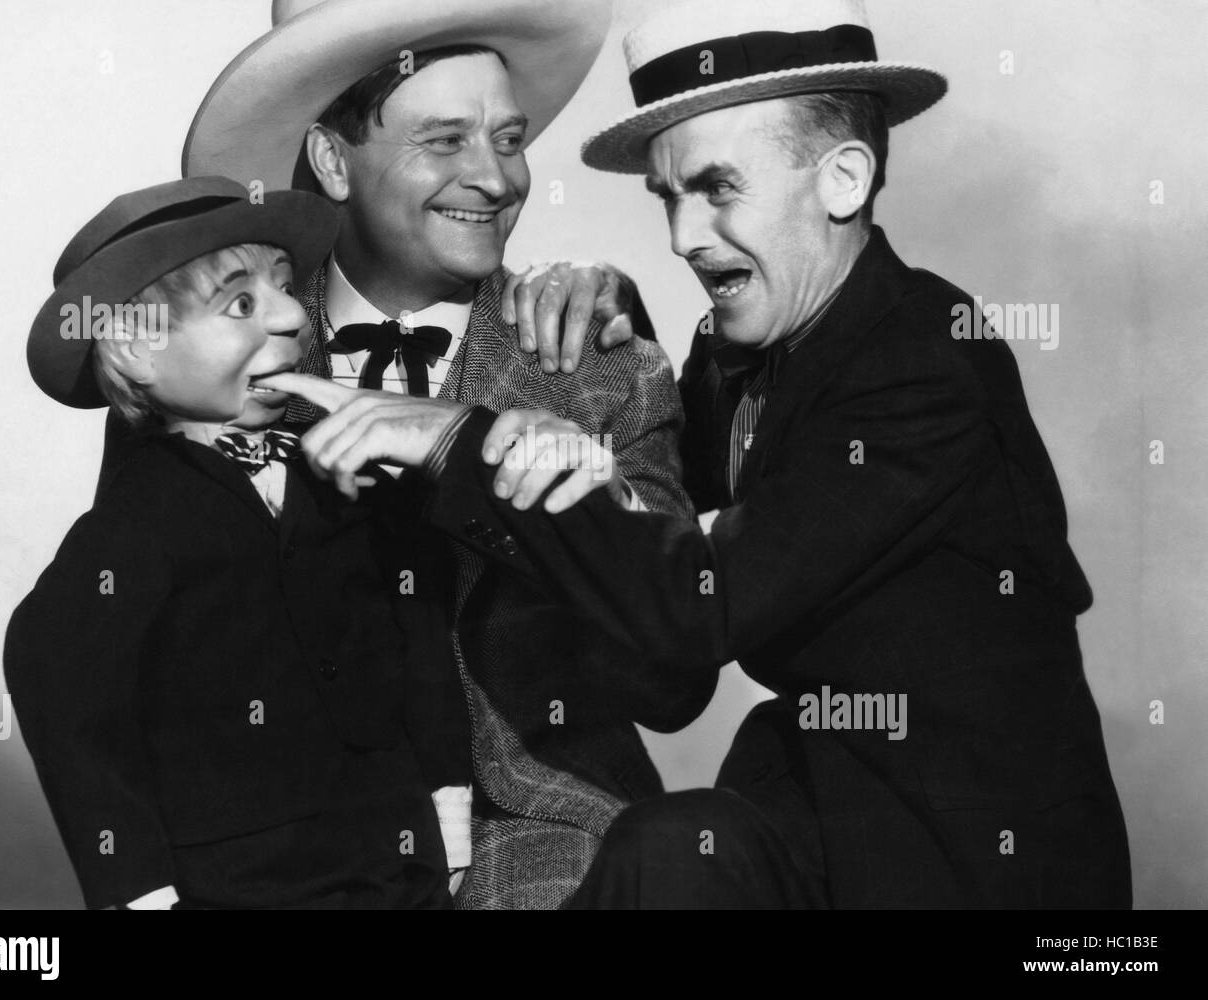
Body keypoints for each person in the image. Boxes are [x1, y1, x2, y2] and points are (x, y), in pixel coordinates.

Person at [267, 0, 1133, 908]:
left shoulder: (924, 357)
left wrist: (460, 441)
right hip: (808, 817)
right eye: (668, 197)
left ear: (843, 180)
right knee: (673, 849)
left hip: (971, 863)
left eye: (718, 189)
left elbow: (695, 606)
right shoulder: (743, 350)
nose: (681, 238)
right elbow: (655, 504)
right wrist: (618, 319)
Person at [180, 0, 707, 908]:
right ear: (331, 161)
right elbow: (148, 649)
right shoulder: (210, 369)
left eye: (508, 139)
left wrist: (543, 485)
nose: (495, 179)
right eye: (445, 140)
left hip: (554, 852)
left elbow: (674, 678)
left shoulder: (603, 363)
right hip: (297, 859)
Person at [6, 177, 467, 909]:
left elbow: (418, 626)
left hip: (396, 856)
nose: (292, 315)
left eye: (284, 287)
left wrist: (446, 796)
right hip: (241, 885)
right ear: (139, 348)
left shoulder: (345, 473)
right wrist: (138, 887)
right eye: (242, 304)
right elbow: (58, 683)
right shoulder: (135, 526)